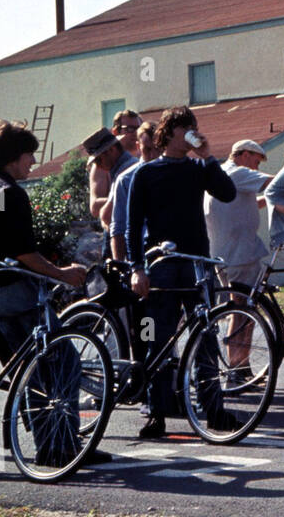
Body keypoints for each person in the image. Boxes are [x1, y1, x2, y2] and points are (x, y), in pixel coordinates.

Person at [0, 120, 100, 463]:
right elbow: (25, 253)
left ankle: (52, 446)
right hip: (16, 293)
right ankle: (62, 446)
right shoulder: (9, 194)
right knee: (65, 361)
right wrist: (63, 273)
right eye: (30, 155)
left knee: (34, 367)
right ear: (14, 157)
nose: (32, 163)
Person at [126, 107, 235, 438]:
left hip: (196, 262)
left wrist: (209, 156)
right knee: (158, 340)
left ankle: (213, 409)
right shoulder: (146, 174)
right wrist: (136, 268)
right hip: (161, 266)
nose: (192, 132)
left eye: (194, 127)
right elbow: (132, 227)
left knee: (206, 335)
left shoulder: (198, 169)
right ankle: (157, 411)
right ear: (169, 132)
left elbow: (227, 193)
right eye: (185, 127)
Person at [205, 138, 272, 288]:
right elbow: (275, 183)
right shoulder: (238, 172)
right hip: (240, 255)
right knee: (242, 305)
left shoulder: (220, 173)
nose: (256, 169)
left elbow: (241, 207)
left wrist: (269, 198)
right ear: (246, 155)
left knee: (232, 304)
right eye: (257, 162)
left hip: (222, 254)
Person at [106, 120, 158, 261]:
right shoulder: (126, 179)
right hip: (142, 255)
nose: (153, 155)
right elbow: (118, 228)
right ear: (138, 147)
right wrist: (120, 266)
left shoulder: (172, 173)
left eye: (157, 149)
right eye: (147, 149)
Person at [88, 110, 141, 221]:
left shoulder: (145, 157)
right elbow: (95, 207)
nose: (136, 133)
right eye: (130, 129)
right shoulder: (101, 164)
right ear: (116, 132)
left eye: (139, 128)